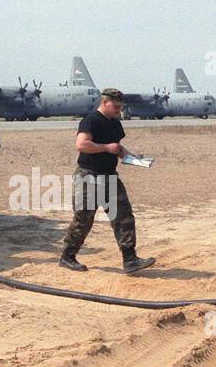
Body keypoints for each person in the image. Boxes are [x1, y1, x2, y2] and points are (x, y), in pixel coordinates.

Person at [59, 88, 155, 274]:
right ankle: (67, 257)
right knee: (83, 219)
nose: (119, 109)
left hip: (109, 175)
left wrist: (133, 158)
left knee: (123, 216)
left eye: (121, 106)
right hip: (89, 176)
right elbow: (82, 145)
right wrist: (106, 148)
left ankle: (130, 259)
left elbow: (117, 147)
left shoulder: (115, 124)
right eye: (116, 106)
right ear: (105, 102)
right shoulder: (90, 121)